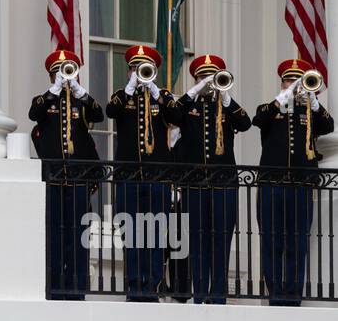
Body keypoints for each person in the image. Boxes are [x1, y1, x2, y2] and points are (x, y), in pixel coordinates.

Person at [163, 54, 251, 304]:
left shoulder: (225, 106)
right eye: (203, 77)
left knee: (222, 241)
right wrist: (196, 88)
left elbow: (245, 123)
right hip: (195, 185)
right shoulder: (189, 107)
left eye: (212, 77)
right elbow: (172, 116)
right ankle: (200, 294)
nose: (209, 82)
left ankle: (219, 295)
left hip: (224, 184)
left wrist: (225, 95)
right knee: (198, 241)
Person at [253, 58, 334, 305]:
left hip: (300, 186)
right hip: (271, 186)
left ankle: (293, 295)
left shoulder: (309, 112)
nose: (296, 85)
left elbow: (328, 125)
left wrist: (313, 100)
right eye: (290, 80)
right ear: (282, 83)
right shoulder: (269, 109)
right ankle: (275, 293)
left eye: (298, 81)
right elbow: (259, 121)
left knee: (297, 242)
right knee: (272, 240)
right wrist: (286, 95)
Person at [29, 50, 102, 300]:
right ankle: (55, 285)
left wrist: (81, 92)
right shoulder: (45, 101)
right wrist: (55, 90)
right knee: (56, 235)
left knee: (78, 235)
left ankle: (77, 286)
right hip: (55, 181)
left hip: (78, 180)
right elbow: (33, 114)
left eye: (68, 71)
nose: (65, 76)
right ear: (52, 75)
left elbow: (98, 114)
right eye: (59, 73)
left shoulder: (81, 103)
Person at [105, 44, 176, 301]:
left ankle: (152, 285)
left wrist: (157, 93)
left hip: (157, 179)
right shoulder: (122, 97)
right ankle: (134, 285)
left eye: (144, 67)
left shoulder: (162, 96)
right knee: (132, 233)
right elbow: (109, 112)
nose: (139, 71)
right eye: (135, 67)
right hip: (129, 178)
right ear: (129, 71)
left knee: (155, 234)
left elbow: (177, 116)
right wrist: (130, 88)